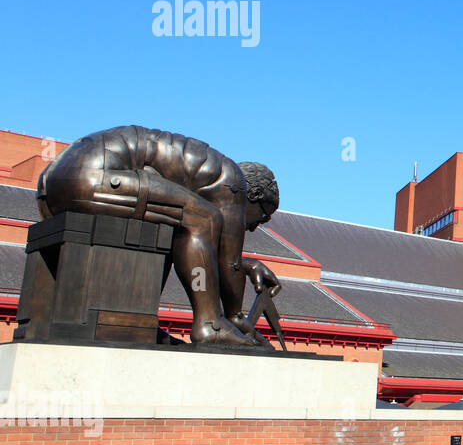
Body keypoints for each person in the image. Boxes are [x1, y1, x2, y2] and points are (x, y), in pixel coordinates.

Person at [36, 125, 281, 347]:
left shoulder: (207, 173)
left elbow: (203, 253)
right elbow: (230, 263)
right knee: (202, 218)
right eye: (261, 218)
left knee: (178, 222)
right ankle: (210, 325)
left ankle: (137, 322)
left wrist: (246, 266)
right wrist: (235, 317)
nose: (251, 227)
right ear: (255, 196)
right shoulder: (233, 182)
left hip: (53, 182)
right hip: (93, 175)